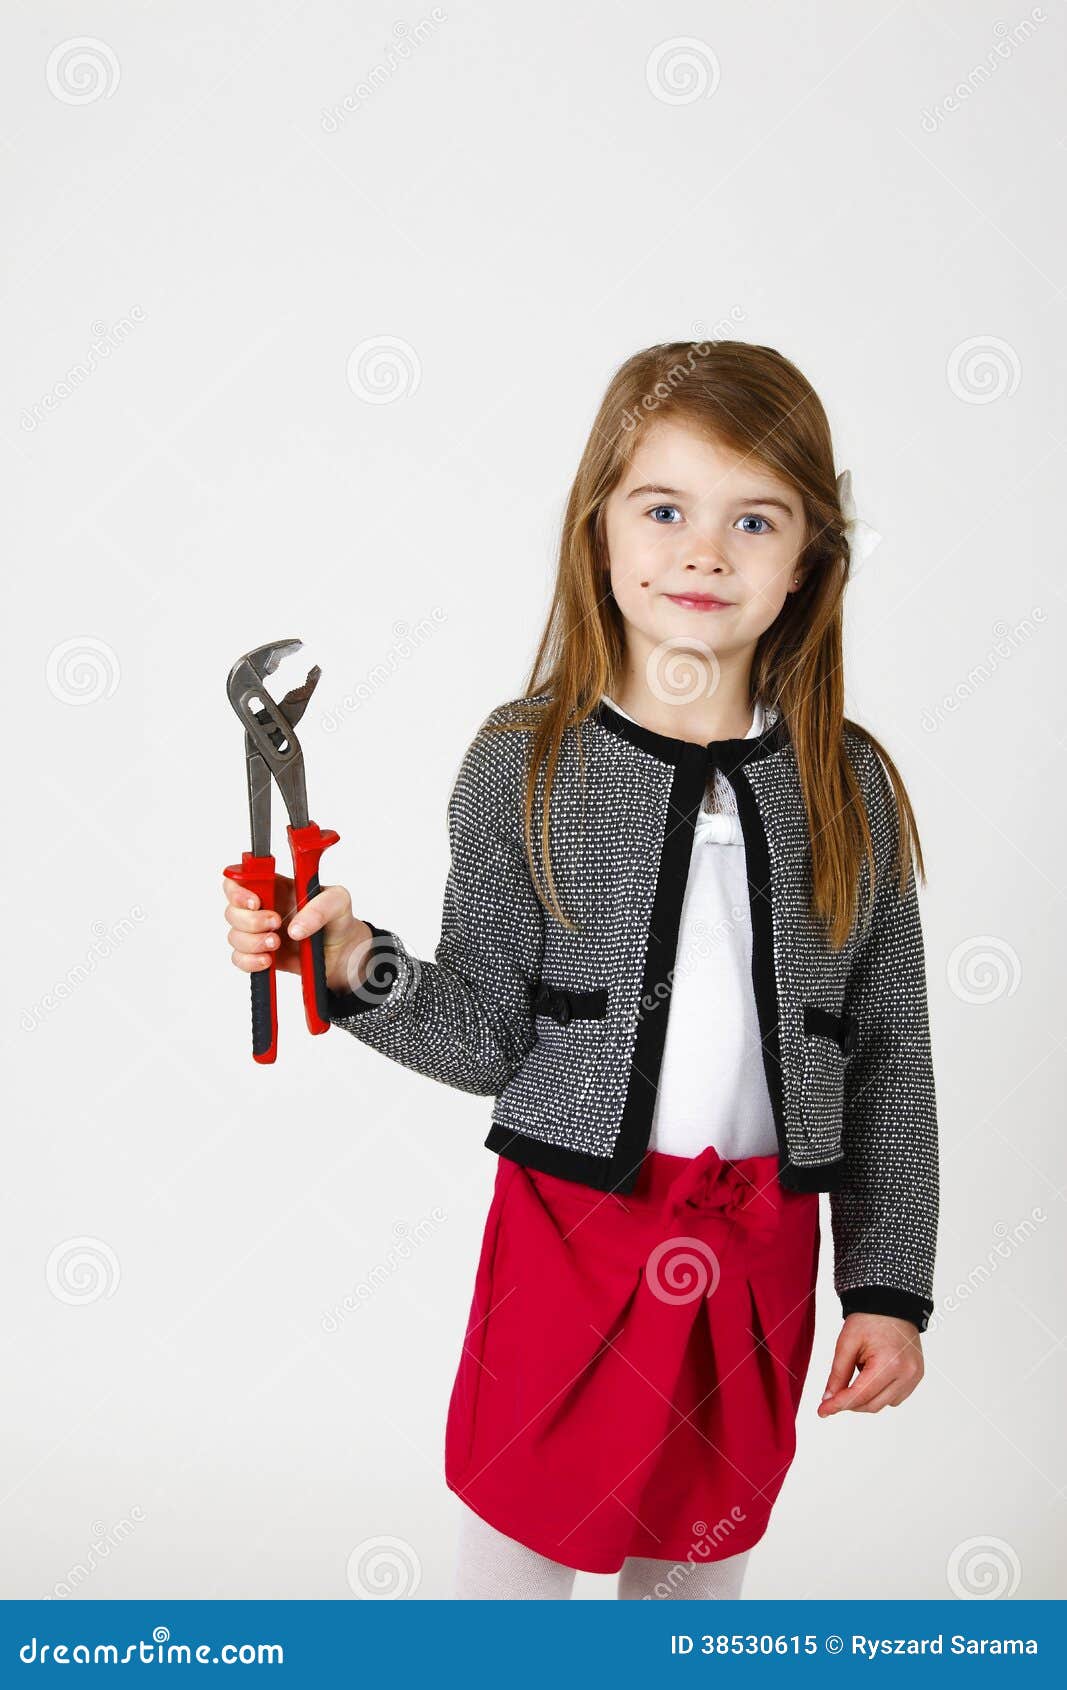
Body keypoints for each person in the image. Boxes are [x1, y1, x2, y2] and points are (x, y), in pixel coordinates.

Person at [222, 340, 939, 1600]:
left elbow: (889, 1059)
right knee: (517, 1553)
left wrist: (886, 1289)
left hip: (756, 1250)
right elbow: (487, 1033)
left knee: (693, 1566)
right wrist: (348, 962)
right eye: (662, 510)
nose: (703, 553)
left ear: (808, 559)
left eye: (752, 519)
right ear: (597, 528)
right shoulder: (523, 763)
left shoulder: (850, 785)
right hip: (568, 1237)